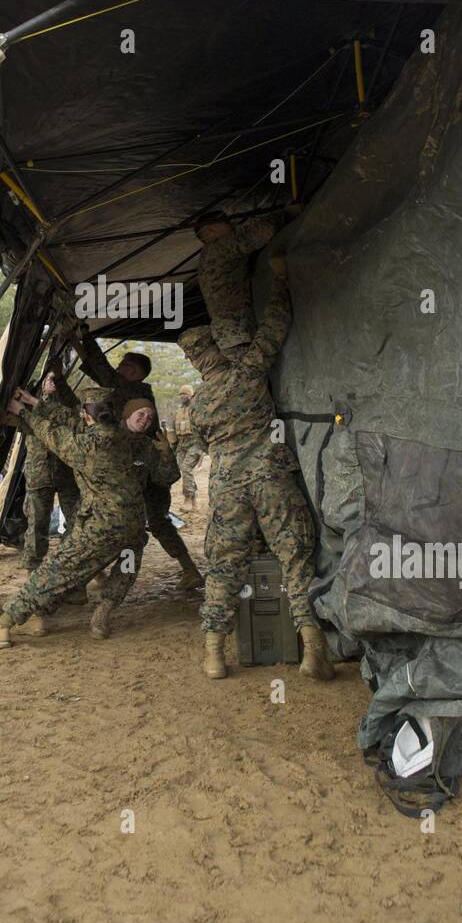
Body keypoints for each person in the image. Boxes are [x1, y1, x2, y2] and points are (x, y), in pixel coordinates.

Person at [178, 279, 335, 682]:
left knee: (223, 566)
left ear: (196, 361)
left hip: (228, 487)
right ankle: (313, 647)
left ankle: (214, 652)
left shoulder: (197, 406)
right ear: (213, 350)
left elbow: (192, 449)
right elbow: (275, 327)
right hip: (271, 478)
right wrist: (281, 279)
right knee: (295, 557)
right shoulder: (247, 374)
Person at [0, 389, 147, 648]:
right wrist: (34, 401)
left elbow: (53, 434)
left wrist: (22, 412)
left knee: (57, 571)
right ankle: (104, 610)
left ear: (87, 415)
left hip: (101, 526)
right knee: (126, 566)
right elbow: (69, 419)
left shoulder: (86, 446)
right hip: (134, 524)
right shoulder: (121, 434)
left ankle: (5, 624)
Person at [74, 330, 203, 591]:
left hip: (152, 475)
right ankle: (98, 574)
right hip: (139, 472)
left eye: (125, 365)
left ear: (136, 373)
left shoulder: (132, 390)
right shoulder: (130, 391)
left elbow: (100, 367)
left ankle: (190, 570)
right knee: (122, 521)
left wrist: (80, 337)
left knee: (151, 522)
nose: (119, 367)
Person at [93, 399, 182, 630]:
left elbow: (166, 478)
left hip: (131, 520)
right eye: (140, 414)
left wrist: (166, 454)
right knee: (77, 563)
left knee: (129, 563)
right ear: (127, 414)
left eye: (150, 417)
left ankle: (105, 609)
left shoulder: (148, 446)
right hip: (97, 518)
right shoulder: (105, 436)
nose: (145, 420)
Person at [195, 209, 290, 353]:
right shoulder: (218, 248)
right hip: (237, 331)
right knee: (254, 370)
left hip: (231, 333)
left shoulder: (207, 257)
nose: (231, 224)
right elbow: (257, 233)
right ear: (210, 229)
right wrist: (286, 213)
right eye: (225, 222)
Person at [20, 369, 80, 573]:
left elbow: (73, 420)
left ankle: (70, 570)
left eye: (56, 379)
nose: (51, 382)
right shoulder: (29, 402)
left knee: (76, 524)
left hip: (67, 472)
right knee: (37, 525)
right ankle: (33, 574)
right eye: (48, 378)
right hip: (39, 472)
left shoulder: (68, 402)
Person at [166, 384, 204, 508]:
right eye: (181, 394)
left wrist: (204, 448)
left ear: (191, 395)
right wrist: (173, 447)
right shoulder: (177, 411)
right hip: (181, 445)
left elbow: (204, 427)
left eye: (185, 394)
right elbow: (172, 430)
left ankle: (188, 498)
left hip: (195, 443)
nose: (183, 396)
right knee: (182, 469)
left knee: (186, 468)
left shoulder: (197, 410)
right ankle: (193, 500)